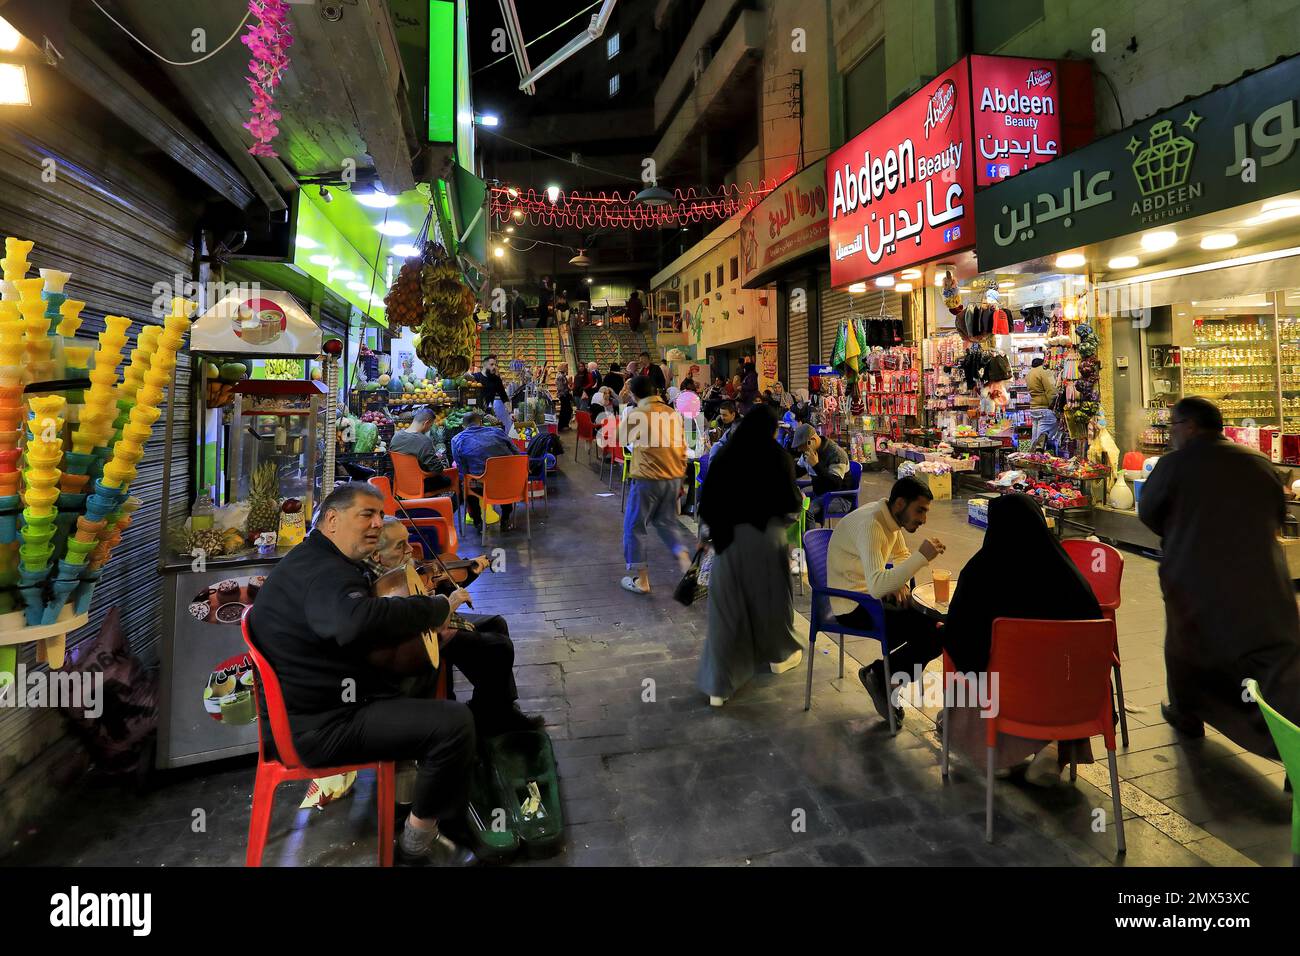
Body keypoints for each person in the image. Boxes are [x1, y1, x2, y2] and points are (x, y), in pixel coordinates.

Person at [247, 483, 477, 865]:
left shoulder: (313, 558)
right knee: (455, 723)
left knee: (422, 673)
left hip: (316, 706)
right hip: (321, 728)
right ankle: (418, 841)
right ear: (332, 520)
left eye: (380, 515)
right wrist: (433, 608)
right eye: (365, 515)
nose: (376, 524)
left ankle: (417, 788)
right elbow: (351, 622)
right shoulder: (325, 572)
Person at [1139, 397, 1300, 753]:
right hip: (1262, 579)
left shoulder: (1174, 465)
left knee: (1190, 649)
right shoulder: (1257, 462)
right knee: (1276, 662)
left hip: (1196, 578)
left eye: (1174, 427)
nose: (1171, 435)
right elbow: (1277, 512)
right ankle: (1290, 743)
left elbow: (1148, 512)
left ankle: (1188, 714)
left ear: (1190, 426)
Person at [943, 493, 1103, 784]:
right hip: (1073, 701)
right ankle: (1053, 748)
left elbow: (961, 639)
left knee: (971, 666)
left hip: (1009, 698)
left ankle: (995, 750)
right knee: (1054, 667)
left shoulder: (981, 572)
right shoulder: (1068, 574)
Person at [370, 518, 542, 737]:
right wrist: (448, 604)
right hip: (421, 635)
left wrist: (469, 572)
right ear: (377, 555)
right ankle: (489, 715)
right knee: (499, 647)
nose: (410, 550)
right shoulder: (382, 584)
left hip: (433, 615)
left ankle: (499, 708)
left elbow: (435, 583)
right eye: (400, 546)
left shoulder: (399, 566)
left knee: (497, 623)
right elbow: (410, 621)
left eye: (408, 541)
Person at [697, 405, 805, 706]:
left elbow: (706, 504)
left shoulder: (724, 456)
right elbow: (791, 504)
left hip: (728, 543)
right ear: (771, 430)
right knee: (772, 605)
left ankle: (719, 688)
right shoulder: (779, 458)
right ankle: (778, 658)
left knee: (726, 612)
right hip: (766, 542)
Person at [826, 477, 947, 726]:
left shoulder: (888, 519)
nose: (923, 519)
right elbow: (878, 585)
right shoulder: (872, 525)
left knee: (934, 629)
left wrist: (900, 583)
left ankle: (884, 675)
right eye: (920, 510)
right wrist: (922, 557)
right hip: (852, 605)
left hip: (869, 597)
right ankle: (883, 676)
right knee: (932, 635)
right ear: (901, 503)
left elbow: (901, 555)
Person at [619, 375, 690, 594]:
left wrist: (625, 405)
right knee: (666, 523)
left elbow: (622, 439)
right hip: (672, 478)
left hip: (647, 480)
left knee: (634, 528)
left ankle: (642, 581)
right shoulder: (672, 413)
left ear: (635, 394)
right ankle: (686, 562)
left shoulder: (638, 413)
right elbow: (682, 447)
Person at [450, 410, 523, 537]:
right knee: (502, 479)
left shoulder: (457, 440)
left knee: (467, 483)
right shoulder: (498, 432)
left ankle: (478, 522)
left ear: (463, 426)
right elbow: (517, 453)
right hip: (509, 486)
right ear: (481, 423)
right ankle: (505, 517)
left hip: (481, 487)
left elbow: (463, 470)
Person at [791, 423, 850, 520]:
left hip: (838, 497)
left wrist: (816, 465)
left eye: (801, 446)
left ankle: (809, 535)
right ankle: (800, 533)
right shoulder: (808, 452)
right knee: (793, 503)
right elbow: (797, 471)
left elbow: (835, 484)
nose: (798, 449)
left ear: (812, 441)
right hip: (819, 493)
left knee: (806, 513)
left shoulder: (837, 454)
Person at [388, 408, 454, 495]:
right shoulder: (424, 441)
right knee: (450, 479)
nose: (429, 429)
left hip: (400, 483)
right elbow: (437, 469)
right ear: (426, 423)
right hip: (421, 484)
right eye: (430, 426)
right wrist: (436, 459)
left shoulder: (396, 436)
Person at [1026, 358, 1060, 454]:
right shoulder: (1044, 371)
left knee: (1035, 438)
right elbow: (1051, 390)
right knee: (1042, 438)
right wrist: (1054, 406)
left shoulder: (1029, 373)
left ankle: (1032, 460)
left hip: (1034, 408)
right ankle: (1039, 459)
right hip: (1044, 408)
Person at [473, 355, 509, 425]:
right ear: (484, 365)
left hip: (489, 414)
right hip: (474, 414)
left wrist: (510, 413)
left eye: (495, 365)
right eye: (492, 364)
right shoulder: (475, 378)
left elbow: (504, 397)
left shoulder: (496, 380)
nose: (494, 367)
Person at [556, 364, 573, 431]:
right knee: (565, 410)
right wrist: (567, 390)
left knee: (567, 410)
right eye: (566, 367)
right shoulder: (560, 376)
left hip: (564, 395)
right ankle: (563, 425)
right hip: (564, 395)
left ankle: (564, 425)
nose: (567, 368)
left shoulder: (562, 375)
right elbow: (561, 387)